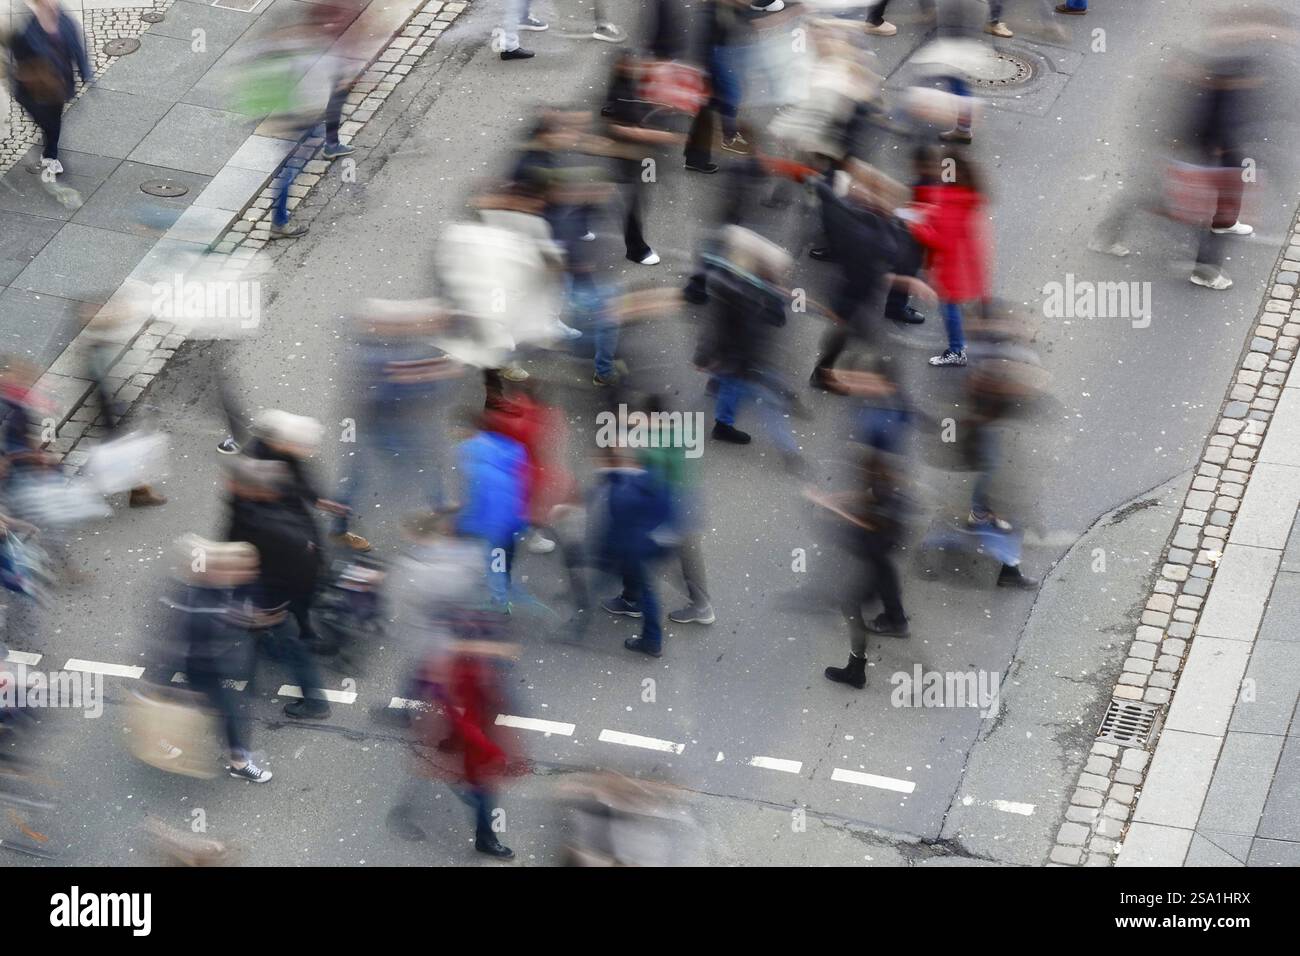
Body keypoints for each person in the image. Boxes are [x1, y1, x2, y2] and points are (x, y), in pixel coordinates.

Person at [223, 453, 334, 719]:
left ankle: (316, 701)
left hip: (269, 597)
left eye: (235, 481)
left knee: (288, 644)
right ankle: (249, 672)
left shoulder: (269, 526)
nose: (228, 484)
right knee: (256, 634)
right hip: (257, 590)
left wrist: (277, 606)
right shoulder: (254, 507)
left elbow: (300, 567)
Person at [162, 535, 270, 781]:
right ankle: (239, 763)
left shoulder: (217, 589)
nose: (250, 573)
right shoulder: (203, 604)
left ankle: (165, 736)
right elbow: (193, 644)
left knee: (217, 710)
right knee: (228, 713)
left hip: (204, 665)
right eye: (244, 569)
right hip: (201, 667)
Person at [809, 454, 912, 689]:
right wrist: (829, 500)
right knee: (882, 577)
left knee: (850, 604)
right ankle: (895, 619)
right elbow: (864, 500)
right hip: (881, 549)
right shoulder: (885, 486)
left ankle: (857, 667)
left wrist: (829, 507)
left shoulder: (880, 506)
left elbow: (863, 521)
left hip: (873, 548)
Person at [905, 152, 991, 368]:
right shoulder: (963, 197)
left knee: (949, 309)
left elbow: (942, 240)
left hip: (950, 269)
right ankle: (960, 345)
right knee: (953, 308)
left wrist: (916, 227)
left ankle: (956, 350)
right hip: (962, 265)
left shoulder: (952, 202)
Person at [592, 445, 675, 658]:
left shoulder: (622, 491)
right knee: (638, 580)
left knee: (647, 590)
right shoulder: (653, 477)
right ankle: (630, 598)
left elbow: (617, 528)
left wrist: (605, 556)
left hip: (635, 547)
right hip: (652, 543)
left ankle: (651, 640)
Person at [639, 395, 714, 625]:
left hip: (676, 512)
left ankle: (635, 599)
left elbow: (655, 476)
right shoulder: (678, 433)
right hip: (689, 507)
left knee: (648, 553)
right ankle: (702, 605)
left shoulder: (659, 443)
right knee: (688, 557)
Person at [6, 0, 91, 177]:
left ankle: (50, 156)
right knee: (47, 122)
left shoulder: (65, 21)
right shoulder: (29, 30)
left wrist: (85, 72)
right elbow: (19, 55)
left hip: (59, 85)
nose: (52, 4)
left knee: (54, 121)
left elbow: (76, 47)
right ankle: (49, 148)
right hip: (31, 89)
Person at [454, 409, 528, 609]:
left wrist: (462, 522)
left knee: (494, 564)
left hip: (492, 525)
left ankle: (500, 604)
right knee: (504, 561)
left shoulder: (468, 456)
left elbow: (478, 498)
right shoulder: (507, 447)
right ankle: (504, 585)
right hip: (513, 517)